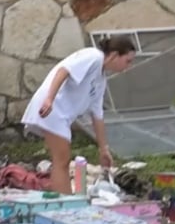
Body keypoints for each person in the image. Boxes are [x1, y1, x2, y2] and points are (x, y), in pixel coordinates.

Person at [23, 35, 138, 186]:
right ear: (115, 55)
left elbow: (97, 116)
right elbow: (63, 71)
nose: (127, 66)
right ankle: (64, 204)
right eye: (127, 61)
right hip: (52, 108)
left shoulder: (101, 80)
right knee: (62, 160)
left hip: (61, 116)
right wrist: (50, 98)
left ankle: (63, 200)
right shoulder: (93, 56)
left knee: (61, 160)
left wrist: (104, 149)